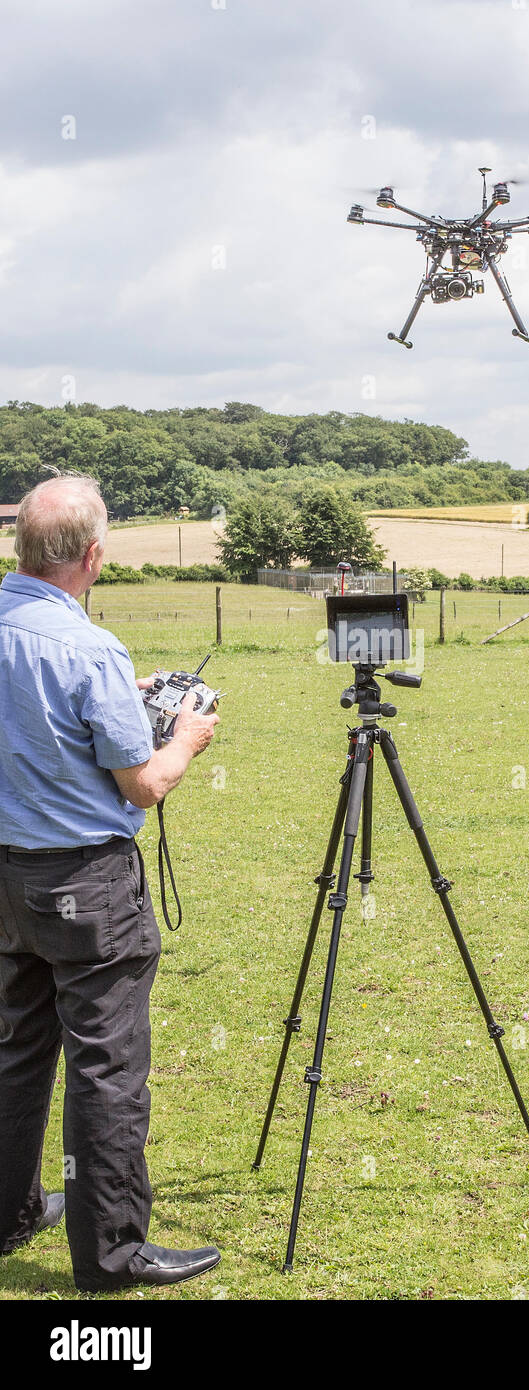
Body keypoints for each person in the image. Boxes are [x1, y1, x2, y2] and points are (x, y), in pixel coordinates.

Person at [0, 474, 221, 1292]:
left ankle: (11, 1214)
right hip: (84, 883)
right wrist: (188, 737)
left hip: (7, 876)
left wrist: (114, 703)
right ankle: (113, 1251)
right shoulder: (88, 646)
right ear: (92, 555)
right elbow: (143, 785)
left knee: (17, 1050)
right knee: (106, 1063)